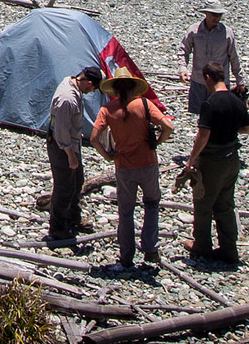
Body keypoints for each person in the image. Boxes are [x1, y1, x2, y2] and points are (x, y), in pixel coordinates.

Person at [90, 66, 175, 269]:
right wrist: (159, 141)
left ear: (115, 90)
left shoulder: (107, 110)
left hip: (124, 166)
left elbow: (94, 138)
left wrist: (108, 156)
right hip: (148, 163)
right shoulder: (144, 104)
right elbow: (169, 126)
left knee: (126, 211)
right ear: (133, 87)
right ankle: (150, 249)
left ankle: (126, 256)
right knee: (152, 204)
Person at [184, 63, 249, 267]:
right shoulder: (237, 101)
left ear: (207, 77)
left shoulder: (210, 103)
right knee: (225, 205)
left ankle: (202, 245)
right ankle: (229, 249)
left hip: (213, 161)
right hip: (232, 159)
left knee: (203, 203)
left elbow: (203, 135)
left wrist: (191, 159)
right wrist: (230, 128)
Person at [47, 66, 103, 241]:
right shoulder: (67, 99)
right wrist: (71, 156)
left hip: (72, 143)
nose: (92, 91)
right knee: (64, 187)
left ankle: (73, 218)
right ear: (88, 82)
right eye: (93, 88)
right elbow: (62, 132)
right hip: (62, 146)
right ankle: (57, 228)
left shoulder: (72, 83)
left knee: (77, 181)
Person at [182, 0, 243, 114]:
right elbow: (184, 50)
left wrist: (239, 80)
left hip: (220, 84)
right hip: (199, 81)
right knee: (198, 115)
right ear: (206, 14)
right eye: (214, 15)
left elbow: (234, 57)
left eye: (220, 15)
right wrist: (183, 69)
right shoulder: (194, 31)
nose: (217, 18)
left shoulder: (227, 33)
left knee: (220, 115)